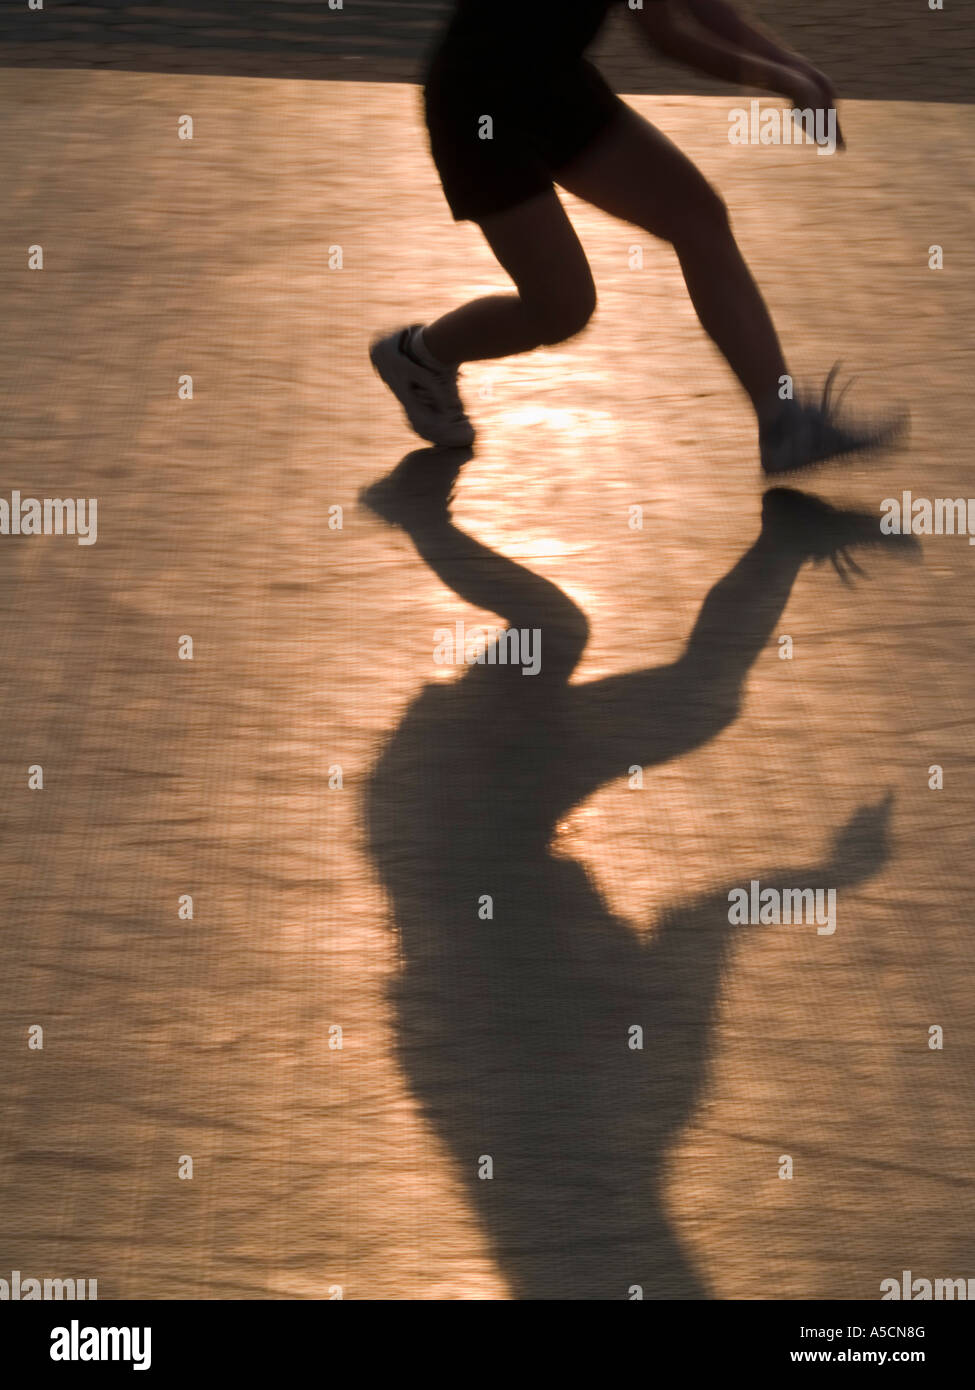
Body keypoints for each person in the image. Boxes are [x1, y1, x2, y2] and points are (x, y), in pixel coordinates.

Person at [370, 0, 903, 473]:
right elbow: (667, 34)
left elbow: (702, 8)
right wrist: (785, 81)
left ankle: (783, 423)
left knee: (698, 217)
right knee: (563, 309)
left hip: (553, 86)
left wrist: (796, 66)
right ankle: (419, 357)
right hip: (477, 101)